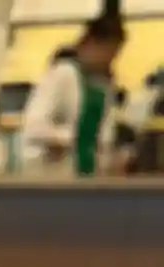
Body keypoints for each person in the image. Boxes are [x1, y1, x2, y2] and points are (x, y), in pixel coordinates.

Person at [20, 16, 126, 177]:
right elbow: (33, 126)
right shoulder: (62, 74)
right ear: (90, 44)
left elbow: (105, 136)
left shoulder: (105, 87)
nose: (110, 60)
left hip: (90, 176)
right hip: (53, 173)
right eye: (108, 52)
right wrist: (68, 138)